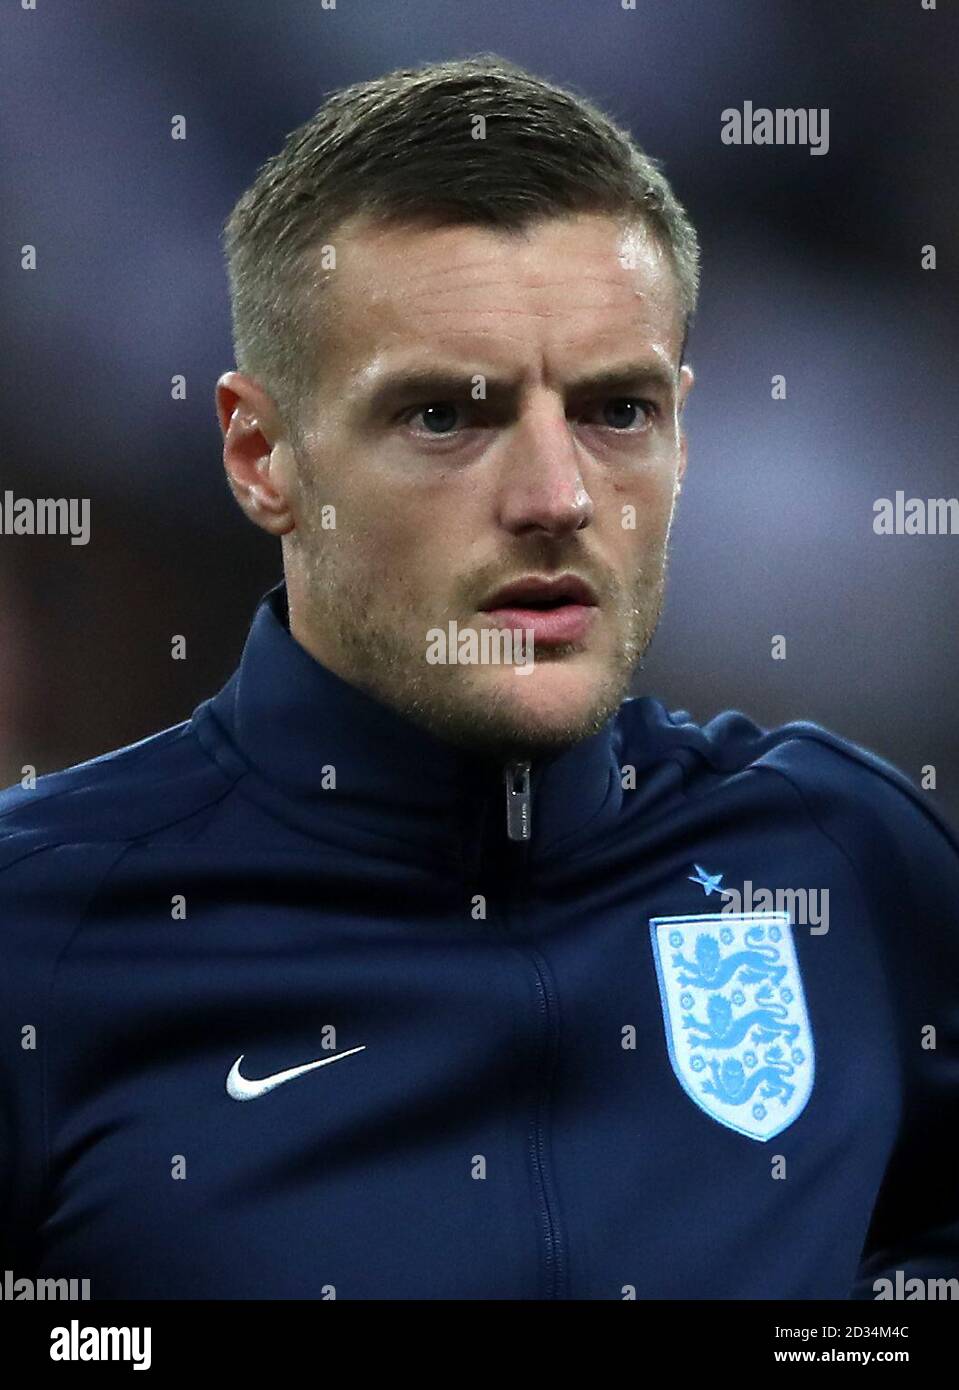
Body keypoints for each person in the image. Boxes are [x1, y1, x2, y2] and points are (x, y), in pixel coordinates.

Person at [1, 55, 956, 1302]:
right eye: (446, 417)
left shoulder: (841, 858)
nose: (556, 498)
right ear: (260, 456)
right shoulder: (43, 935)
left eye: (616, 411)